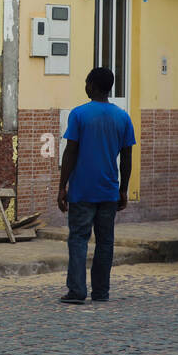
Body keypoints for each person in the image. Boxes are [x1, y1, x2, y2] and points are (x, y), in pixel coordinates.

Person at [57, 66, 135, 304]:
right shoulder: (122, 117)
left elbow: (70, 152)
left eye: (86, 82)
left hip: (82, 191)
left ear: (91, 85)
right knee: (105, 242)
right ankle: (101, 292)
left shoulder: (79, 114)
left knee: (79, 239)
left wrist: (62, 186)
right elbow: (127, 158)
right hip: (109, 190)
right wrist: (123, 190)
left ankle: (77, 291)